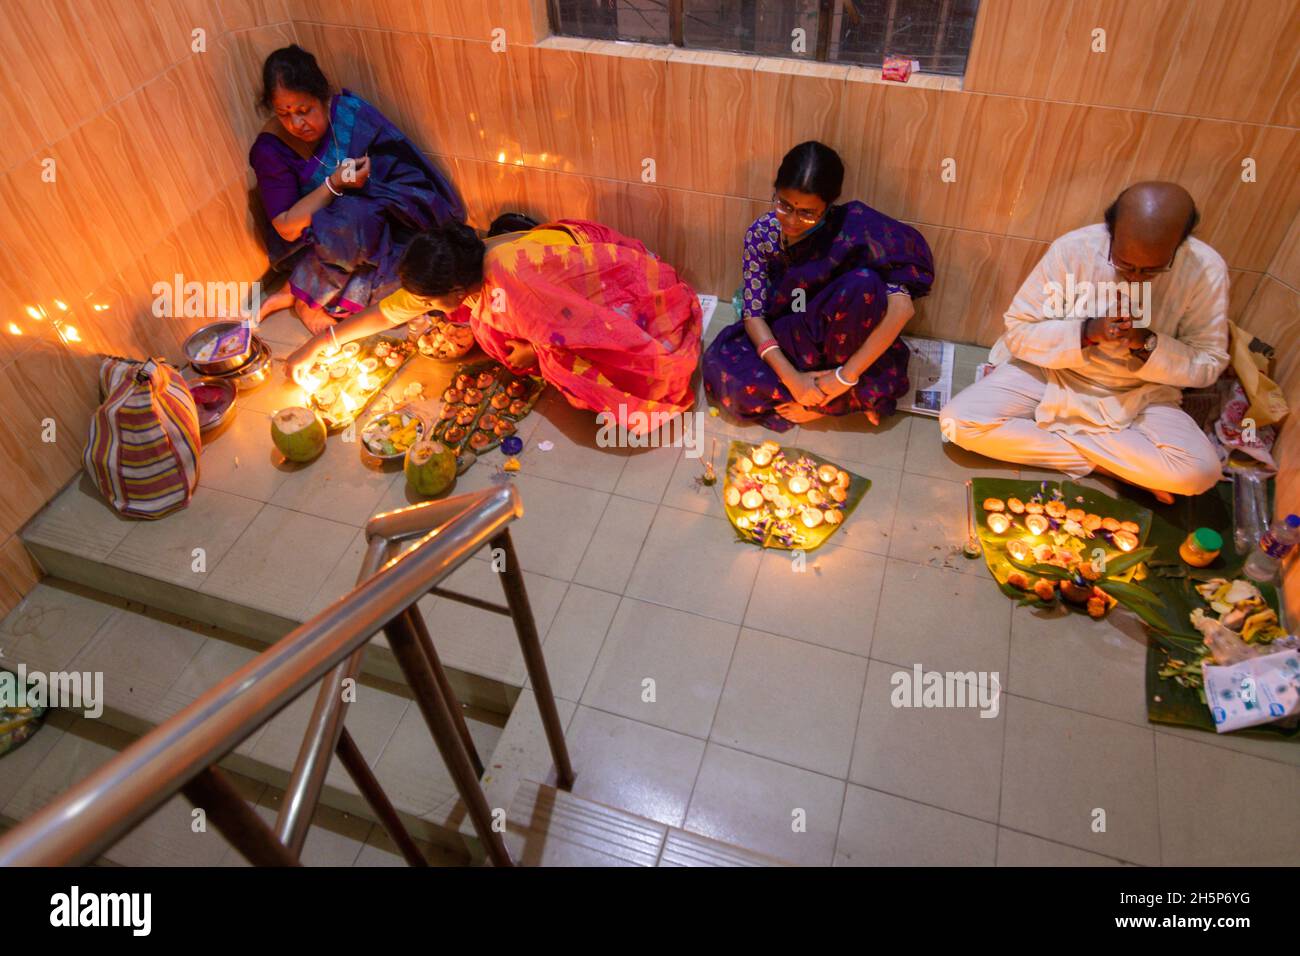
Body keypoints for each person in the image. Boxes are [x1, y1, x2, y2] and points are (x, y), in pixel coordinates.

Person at [939, 182, 1228, 503]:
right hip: (1055, 373)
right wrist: (1087, 332)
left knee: (1199, 474)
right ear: (1110, 230)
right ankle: (1111, 466)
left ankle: (1077, 446)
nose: (1134, 278)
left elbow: (1208, 365)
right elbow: (1019, 332)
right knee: (956, 424)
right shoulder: (1074, 250)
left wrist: (1146, 343)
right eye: (1125, 265)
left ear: (1181, 243)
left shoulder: (1206, 270)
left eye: (1152, 270)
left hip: (1143, 390)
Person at [285, 219, 703, 432]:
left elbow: (569, 326)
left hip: (597, 287)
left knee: (538, 356)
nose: (427, 310)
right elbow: (390, 311)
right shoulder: (461, 264)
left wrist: (533, 355)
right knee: (487, 327)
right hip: (561, 268)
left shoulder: (512, 282)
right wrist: (323, 342)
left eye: (432, 303)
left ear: (453, 288)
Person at [702, 141, 934, 430]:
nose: (792, 221)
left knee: (865, 285)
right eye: (783, 205)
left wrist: (841, 380)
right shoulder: (762, 234)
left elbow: (901, 309)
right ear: (775, 190)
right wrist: (792, 379)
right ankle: (834, 395)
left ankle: (828, 399)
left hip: (842, 340)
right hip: (791, 333)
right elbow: (754, 314)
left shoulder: (858, 231)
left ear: (828, 206)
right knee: (721, 372)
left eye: (807, 213)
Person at [249, 45, 464, 333]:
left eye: (304, 110)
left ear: (322, 96)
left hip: (380, 228)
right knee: (353, 217)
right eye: (284, 114)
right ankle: (306, 298)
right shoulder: (270, 150)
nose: (297, 123)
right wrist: (335, 184)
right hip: (321, 242)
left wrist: (375, 186)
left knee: (426, 275)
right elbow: (287, 228)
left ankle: (301, 290)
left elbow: (399, 168)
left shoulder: (349, 115)